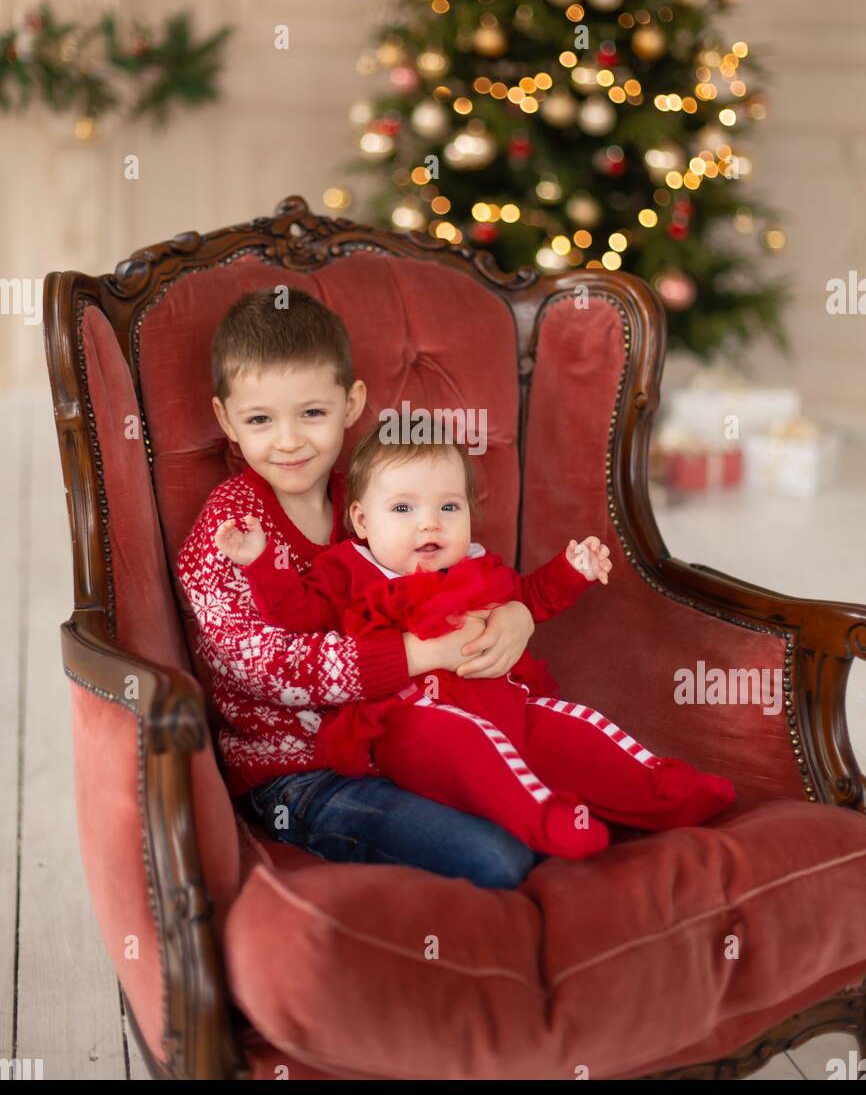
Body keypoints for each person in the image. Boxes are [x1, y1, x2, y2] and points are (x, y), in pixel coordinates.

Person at [216, 424, 736, 862]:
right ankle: (542, 818)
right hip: (412, 724)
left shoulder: (475, 568)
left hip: (506, 706)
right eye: (403, 509)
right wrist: (261, 563)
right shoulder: (349, 570)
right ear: (361, 520)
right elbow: (297, 616)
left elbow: (529, 596)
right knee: (471, 746)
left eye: (449, 506)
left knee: (570, 726)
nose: (429, 523)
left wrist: (570, 571)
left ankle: (660, 792)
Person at [176, 285, 545, 888]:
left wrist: (514, 613)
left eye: (312, 413)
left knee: (544, 817)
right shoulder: (228, 527)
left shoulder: (373, 497)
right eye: (261, 419)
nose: (289, 440)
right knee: (494, 856)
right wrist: (419, 655)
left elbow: (452, 575)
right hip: (301, 773)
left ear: (351, 404)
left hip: (411, 733)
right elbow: (262, 669)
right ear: (225, 419)